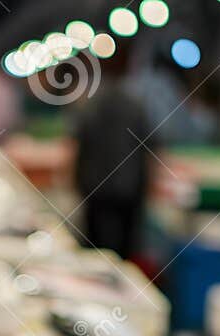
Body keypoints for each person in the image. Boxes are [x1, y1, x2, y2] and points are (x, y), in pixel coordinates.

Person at [73, 49, 151, 260]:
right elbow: (150, 149)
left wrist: (76, 183)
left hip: (95, 189)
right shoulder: (136, 106)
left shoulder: (90, 104)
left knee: (92, 252)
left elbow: (78, 145)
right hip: (128, 191)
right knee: (124, 255)